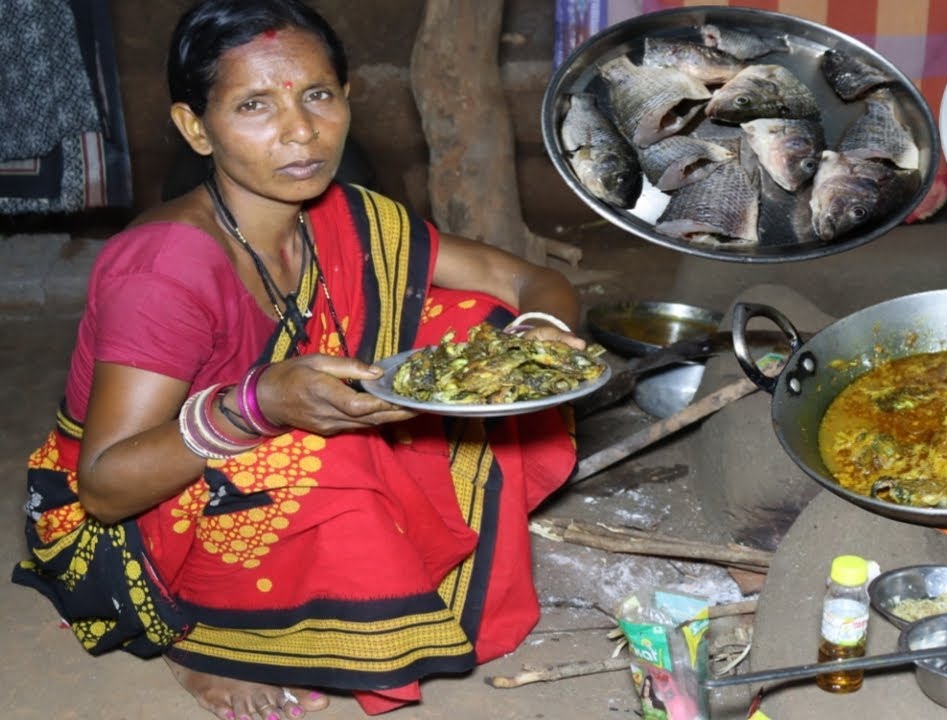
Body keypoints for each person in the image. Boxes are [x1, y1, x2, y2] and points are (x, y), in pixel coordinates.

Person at [11, 1, 590, 717]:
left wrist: (538, 335)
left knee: (477, 332)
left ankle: (381, 558)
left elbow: (526, 282)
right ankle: (201, 639)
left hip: (227, 465)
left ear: (346, 99)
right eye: (254, 105)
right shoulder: (165, 268)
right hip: (123, 529)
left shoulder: (350, 216)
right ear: (196, 127)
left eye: (317, 95)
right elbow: (103, 489)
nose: (300, 131)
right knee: (331, 452)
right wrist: (259, 405)